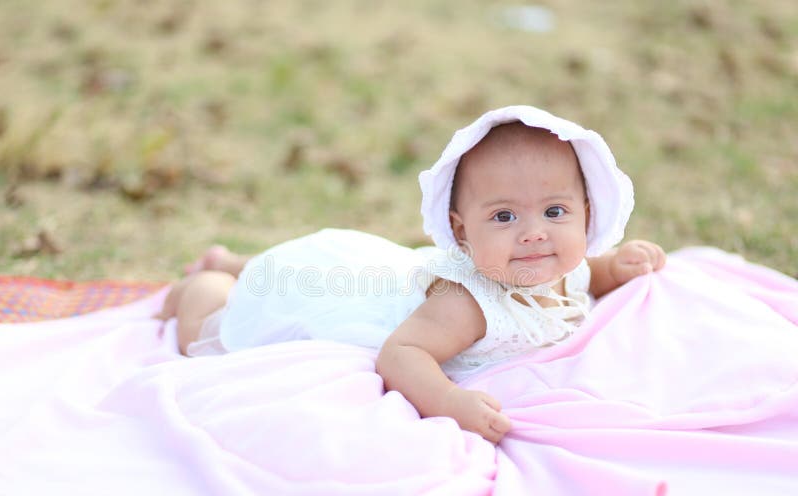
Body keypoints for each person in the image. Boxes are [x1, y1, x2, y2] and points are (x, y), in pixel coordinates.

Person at [156, 105, 666, 443]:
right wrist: (447, 400)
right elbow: (401, 354)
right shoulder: (465, 305)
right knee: (218, 326)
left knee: (295, 268)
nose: (535, 234)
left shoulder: (554, 265)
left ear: (586, 215)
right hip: (347, 300)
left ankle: (234, 260)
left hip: (375, 268)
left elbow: (584, 275)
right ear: (461, 232)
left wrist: (613, 268)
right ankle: (207, 283)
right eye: (504, 216)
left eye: (555, 212)